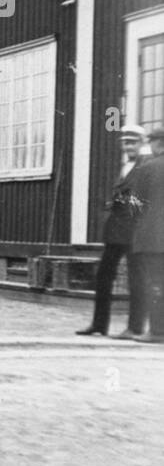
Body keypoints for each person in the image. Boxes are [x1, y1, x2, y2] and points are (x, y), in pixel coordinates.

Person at [75, 126, 149, 338]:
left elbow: (143, 201)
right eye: (126, 142)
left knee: (137, 280)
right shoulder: (125, 166)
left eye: (133, 142)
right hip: (116, 231)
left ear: (141, 143)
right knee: (103, 276)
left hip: (135, 232)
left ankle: (135, 328)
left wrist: (119, 202)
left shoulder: (146, 167)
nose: (129, 146)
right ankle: (99, 325)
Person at [130, 127, 164, 344]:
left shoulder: (147, 168)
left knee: (156, 284)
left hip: (153, 238)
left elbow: (135, 206)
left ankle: (157, 331)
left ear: (157, 143)